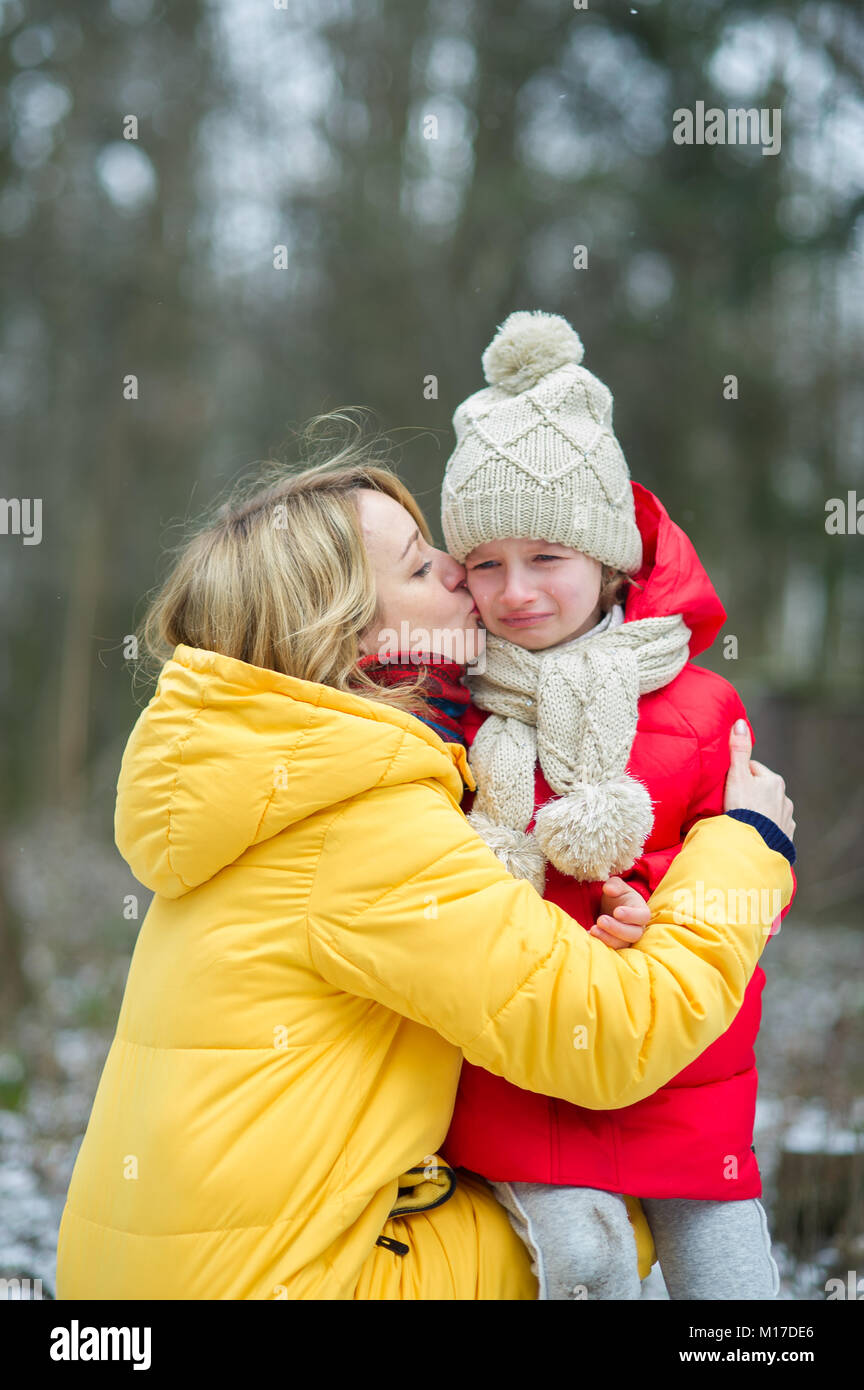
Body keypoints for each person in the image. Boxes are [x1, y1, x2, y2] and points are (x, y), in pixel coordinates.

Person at [55, 427, 795, 1299]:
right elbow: (612, 1035)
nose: (460, 570)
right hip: (291, 1288)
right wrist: (746, 846)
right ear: (346, 640)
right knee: (595, 1222)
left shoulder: (251, 781)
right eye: (417, 568)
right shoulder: (364, 823)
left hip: (129, 1292)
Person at [438, 310, 797, 1299]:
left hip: (684, 1074)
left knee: (735, 1286)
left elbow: (753, 863)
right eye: (486, 562)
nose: (514, 592)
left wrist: (660, 909)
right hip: (521, 1076)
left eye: (547, 556)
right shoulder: (458, 712)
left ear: (611, 560)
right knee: (578, 1262)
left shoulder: (700, 703)